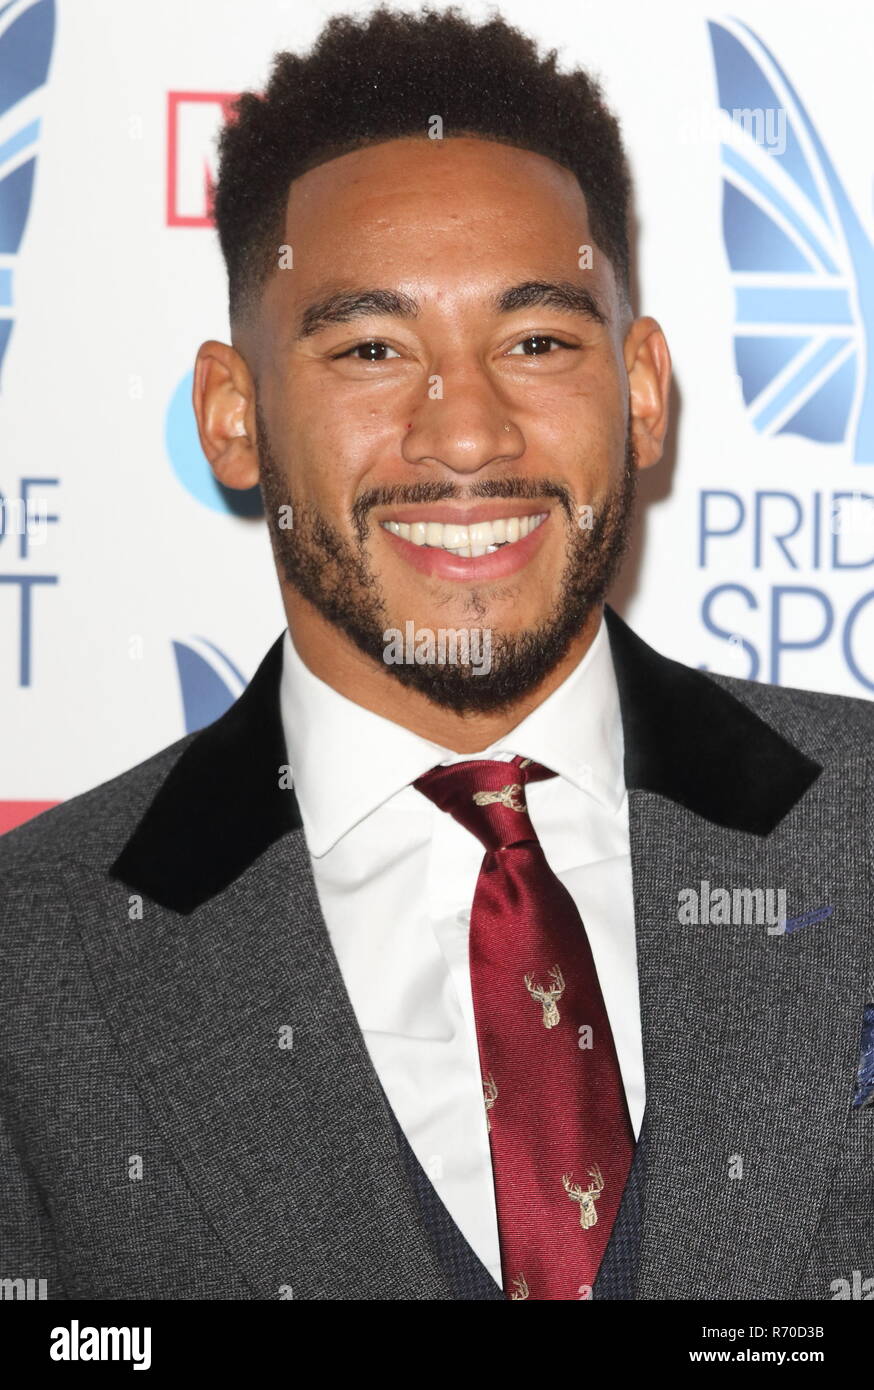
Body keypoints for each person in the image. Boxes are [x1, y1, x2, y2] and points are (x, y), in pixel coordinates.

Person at [2, 5, 872, 1303]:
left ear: (638, 391)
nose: (464, 435)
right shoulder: (34, 954)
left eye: (536, 342)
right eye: (370, 348)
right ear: (233, 419)